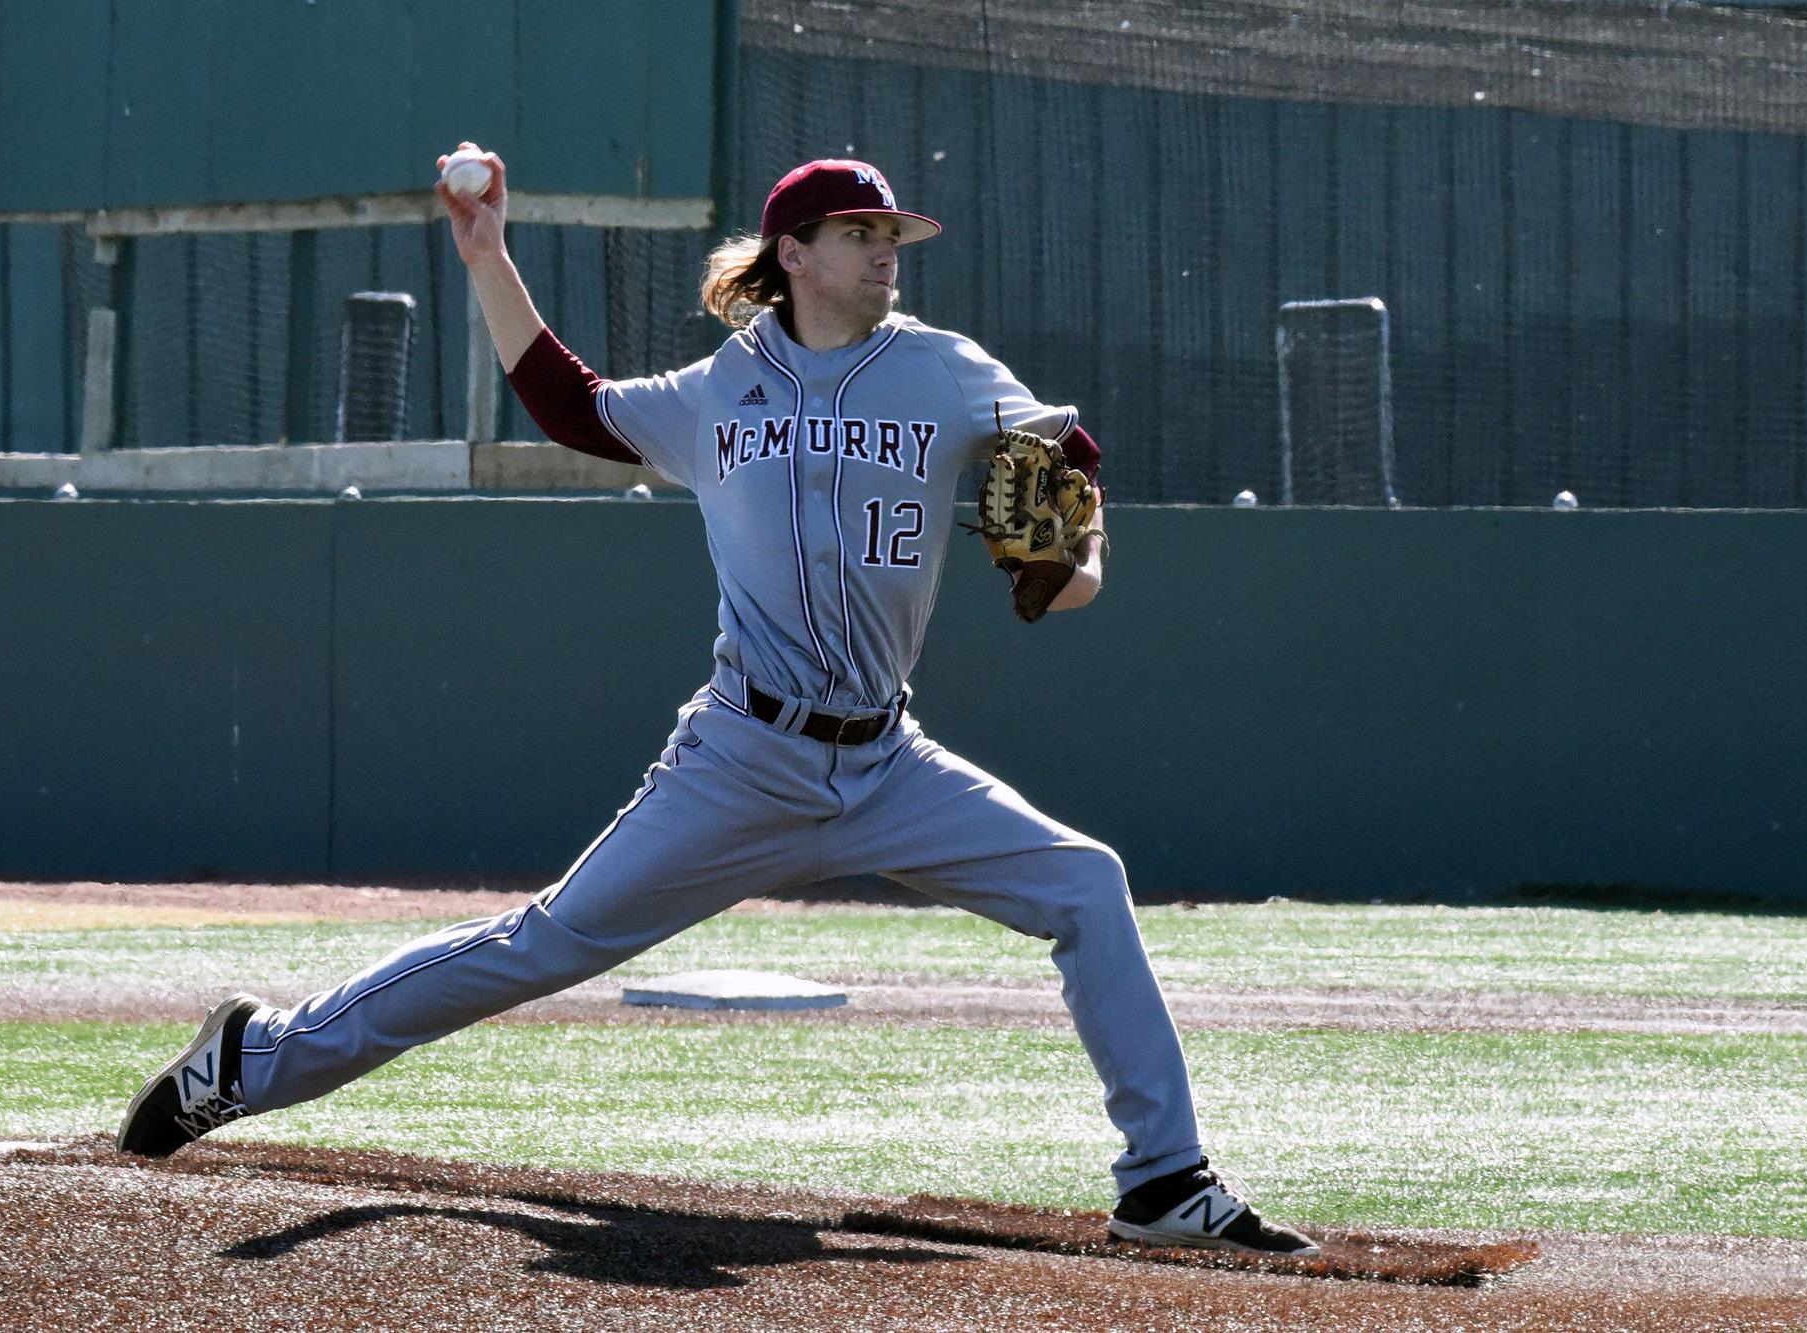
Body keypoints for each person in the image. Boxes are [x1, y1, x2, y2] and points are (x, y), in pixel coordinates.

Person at [117, 149, 1318, 1258]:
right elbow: (570, 403)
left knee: (1083, 883)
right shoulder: (722, 384)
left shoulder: (949, 370)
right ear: (791, 252)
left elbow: (1064, 484)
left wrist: (1071, 564)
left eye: (890, 230)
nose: (884, 248)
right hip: (743, 753)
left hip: (887, 763)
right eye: (856, 231)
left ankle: (1163, 1180)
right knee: (543, 943)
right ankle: (256, 1054)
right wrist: (488, 255)